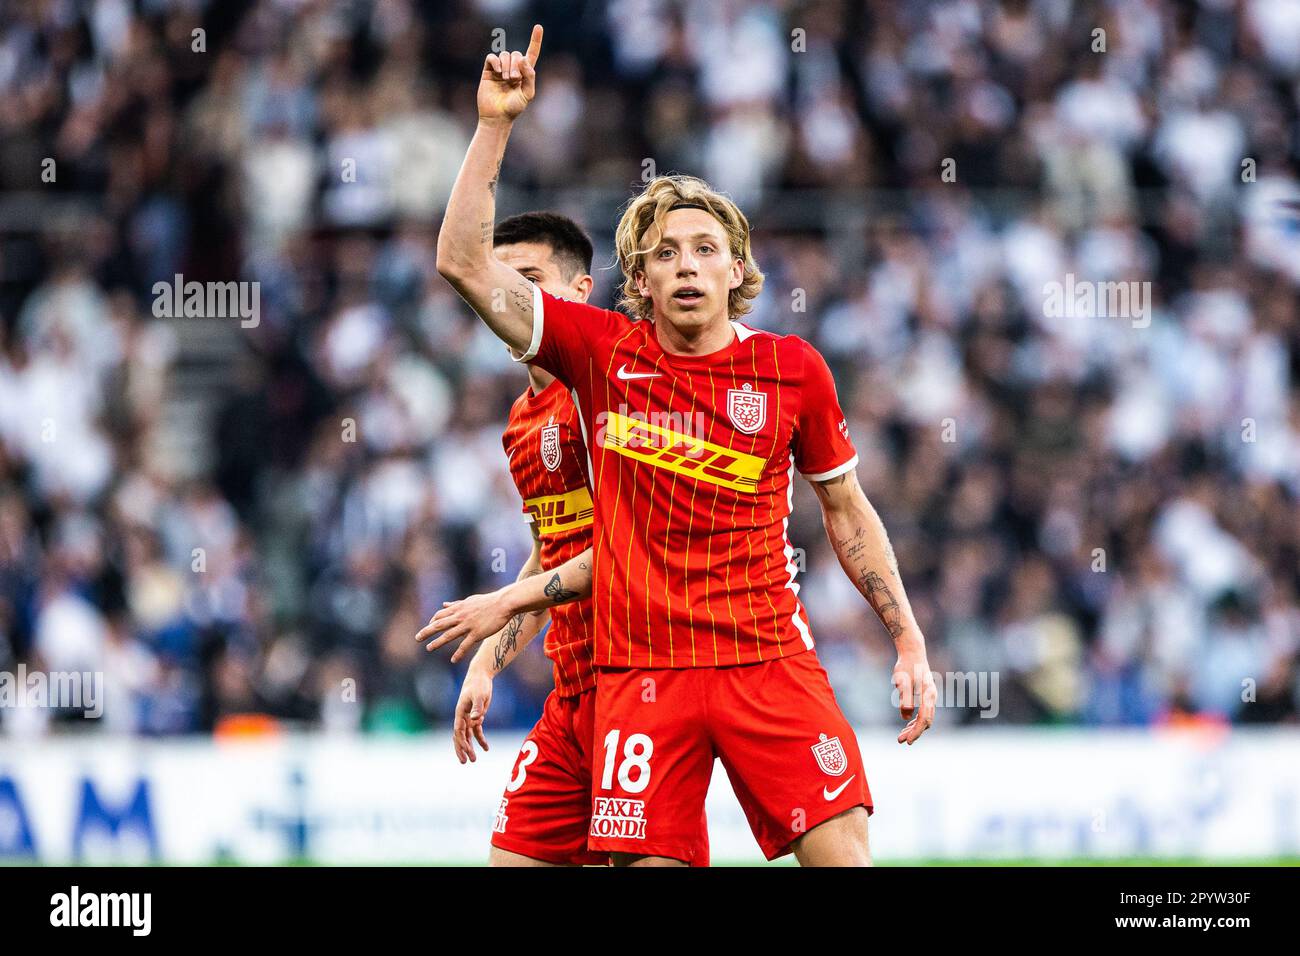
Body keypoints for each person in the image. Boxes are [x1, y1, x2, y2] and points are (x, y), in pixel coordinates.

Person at [430, 24, 936, 867]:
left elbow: (846, 513)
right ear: (641, 284)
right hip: (644, 676)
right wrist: (495, 124)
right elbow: (465, 266)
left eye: (707, 250)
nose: (688, 265)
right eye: (666, 254)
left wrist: (909, 636)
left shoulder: (792, 370)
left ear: (738, 270)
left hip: (767, 658)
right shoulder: (601, 355)